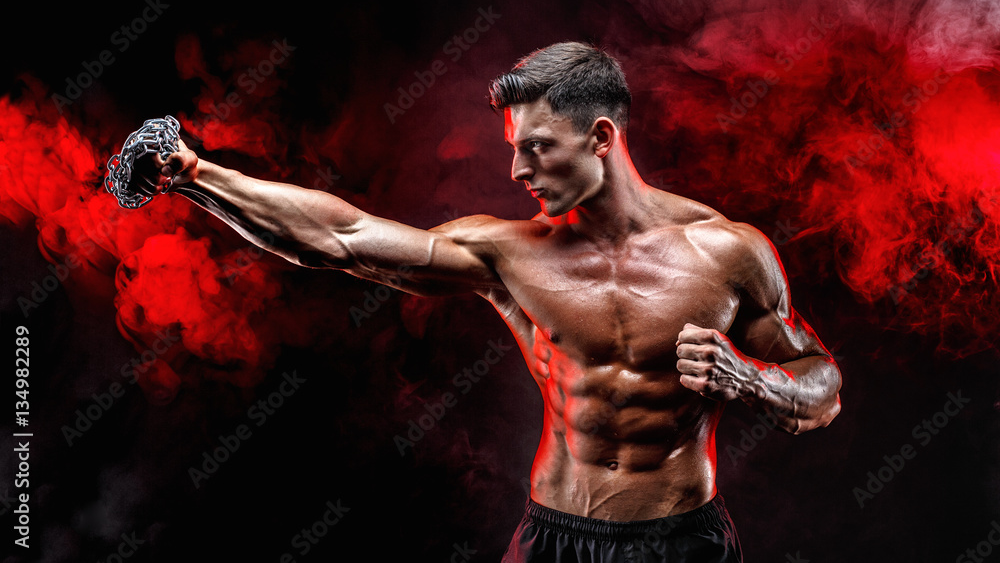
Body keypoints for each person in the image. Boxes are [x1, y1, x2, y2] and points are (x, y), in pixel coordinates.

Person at [131, 41, 842, 562]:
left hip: (681, 543)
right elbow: (340, 239)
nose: (516, 170)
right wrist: (193, 174)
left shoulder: (727, 253)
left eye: (537, 147)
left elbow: (823, 385)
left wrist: (753, 379)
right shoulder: (507, 253)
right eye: (513, 148)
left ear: (601, 137)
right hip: (555, 540)